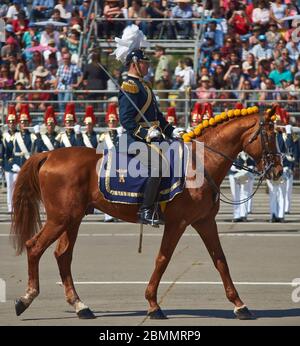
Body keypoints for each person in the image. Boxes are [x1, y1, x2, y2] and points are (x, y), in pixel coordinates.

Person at [113, 25, 182, 225]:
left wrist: (170, 129)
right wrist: (146, 133)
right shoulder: (129, 86)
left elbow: (157, 116)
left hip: (153, 137)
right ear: (135, 62)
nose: (148, 65)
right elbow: (126, 121)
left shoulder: (145, 85)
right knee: (158, 167)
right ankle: (146, 209)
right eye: (145, 62)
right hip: (133, 140)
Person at [1, 105, 18, 213]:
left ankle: (16, 206)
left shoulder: (19, 134)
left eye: (13, 122)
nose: (11, 124)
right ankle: (10, 207)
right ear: (8, 123)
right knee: (9, 188)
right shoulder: (4, 135)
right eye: (10, 122)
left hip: (17, 164)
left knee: (17, 187)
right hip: (7, 164)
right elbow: (2, 151)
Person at [12, 104, 37, 171]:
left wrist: (38, 134)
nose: (23, 124)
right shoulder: (15, 135)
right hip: (16, 165)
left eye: (25, 122)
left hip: (27, 164)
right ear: (19, 123)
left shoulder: (32, 136)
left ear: (28, 123)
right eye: (22, 122)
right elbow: (11, 151)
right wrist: (13, 163)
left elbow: (38, 148)